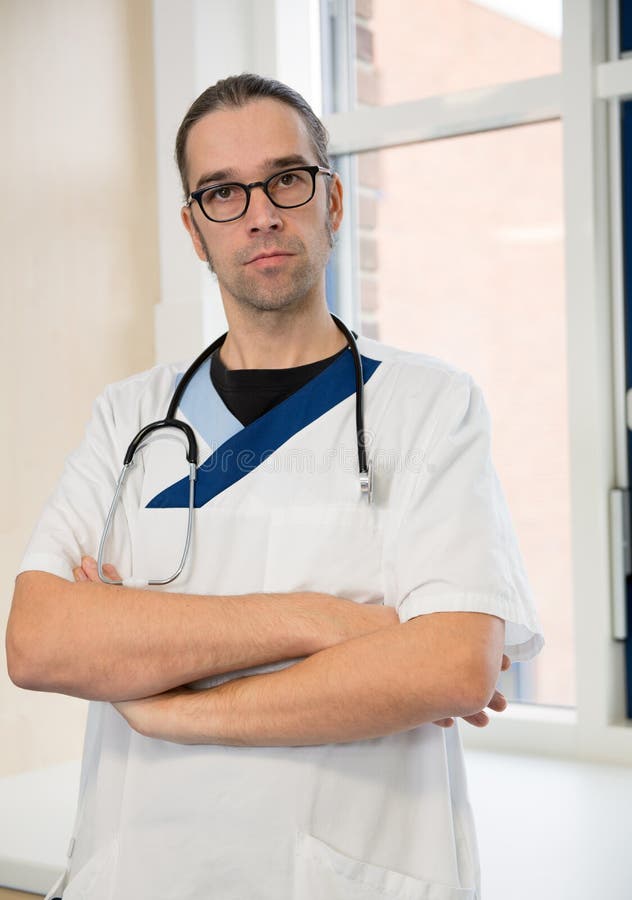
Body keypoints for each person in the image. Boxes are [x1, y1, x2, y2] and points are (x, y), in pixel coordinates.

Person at [7, 73, 543, 899]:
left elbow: (450, 667)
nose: (259, 212)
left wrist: (166, 700)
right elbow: (41, 641)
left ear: (330, 201)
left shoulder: (429, 406)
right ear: (194, 231)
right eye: (222, 192)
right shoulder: (130, 418)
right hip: (142, 870)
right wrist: (336, 625)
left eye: (286, 178)